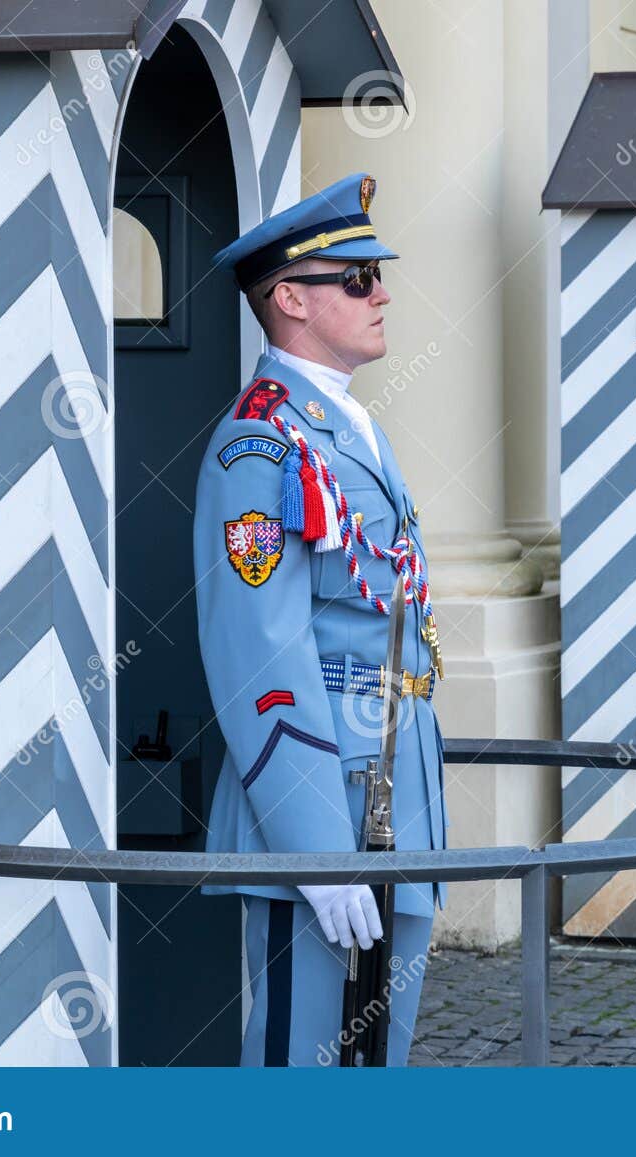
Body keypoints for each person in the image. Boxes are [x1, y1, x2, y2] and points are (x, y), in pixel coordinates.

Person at [194, 172, 446, 1065]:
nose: (381, 293)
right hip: (325, 801)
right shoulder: (261, 441)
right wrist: (314, 847)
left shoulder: (347, 426)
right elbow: (258, 649)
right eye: (356, 279)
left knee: (376, 1069)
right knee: (304, 1070)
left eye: (378, 274)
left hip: (395, 788)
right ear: (291, 299)